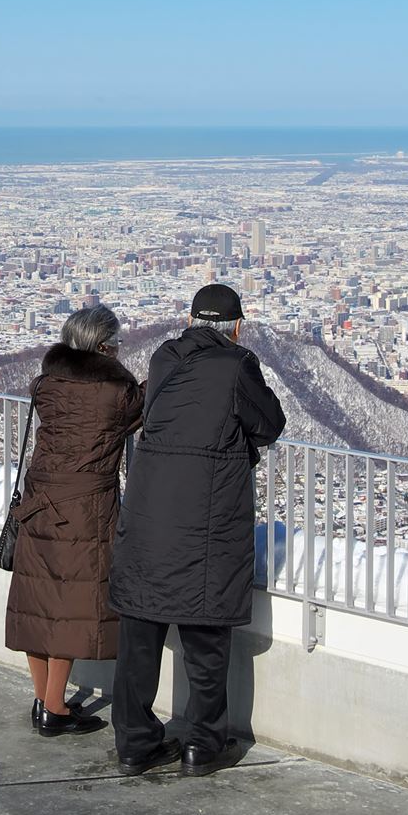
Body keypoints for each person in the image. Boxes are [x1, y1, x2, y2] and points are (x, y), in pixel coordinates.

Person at [108, 283, 285, 776]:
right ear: (237, 327)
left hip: (147, 521)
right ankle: (200, 746)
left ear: (188, 322)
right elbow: (270, 424)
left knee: (139, 640)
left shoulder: (164, 359)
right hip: (207, 527)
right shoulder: (238, 365)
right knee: (206, 643)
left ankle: (134, 744)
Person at [5, 303, 143, 737]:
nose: (120, 350)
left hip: (38, 500)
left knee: (36, 606)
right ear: (102, 346)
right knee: (67, 611)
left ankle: (43, 699)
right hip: (84, 510)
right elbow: (145, 406)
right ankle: (54, 709)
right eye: (116, 343)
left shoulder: (47, 385)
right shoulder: (116, 394)